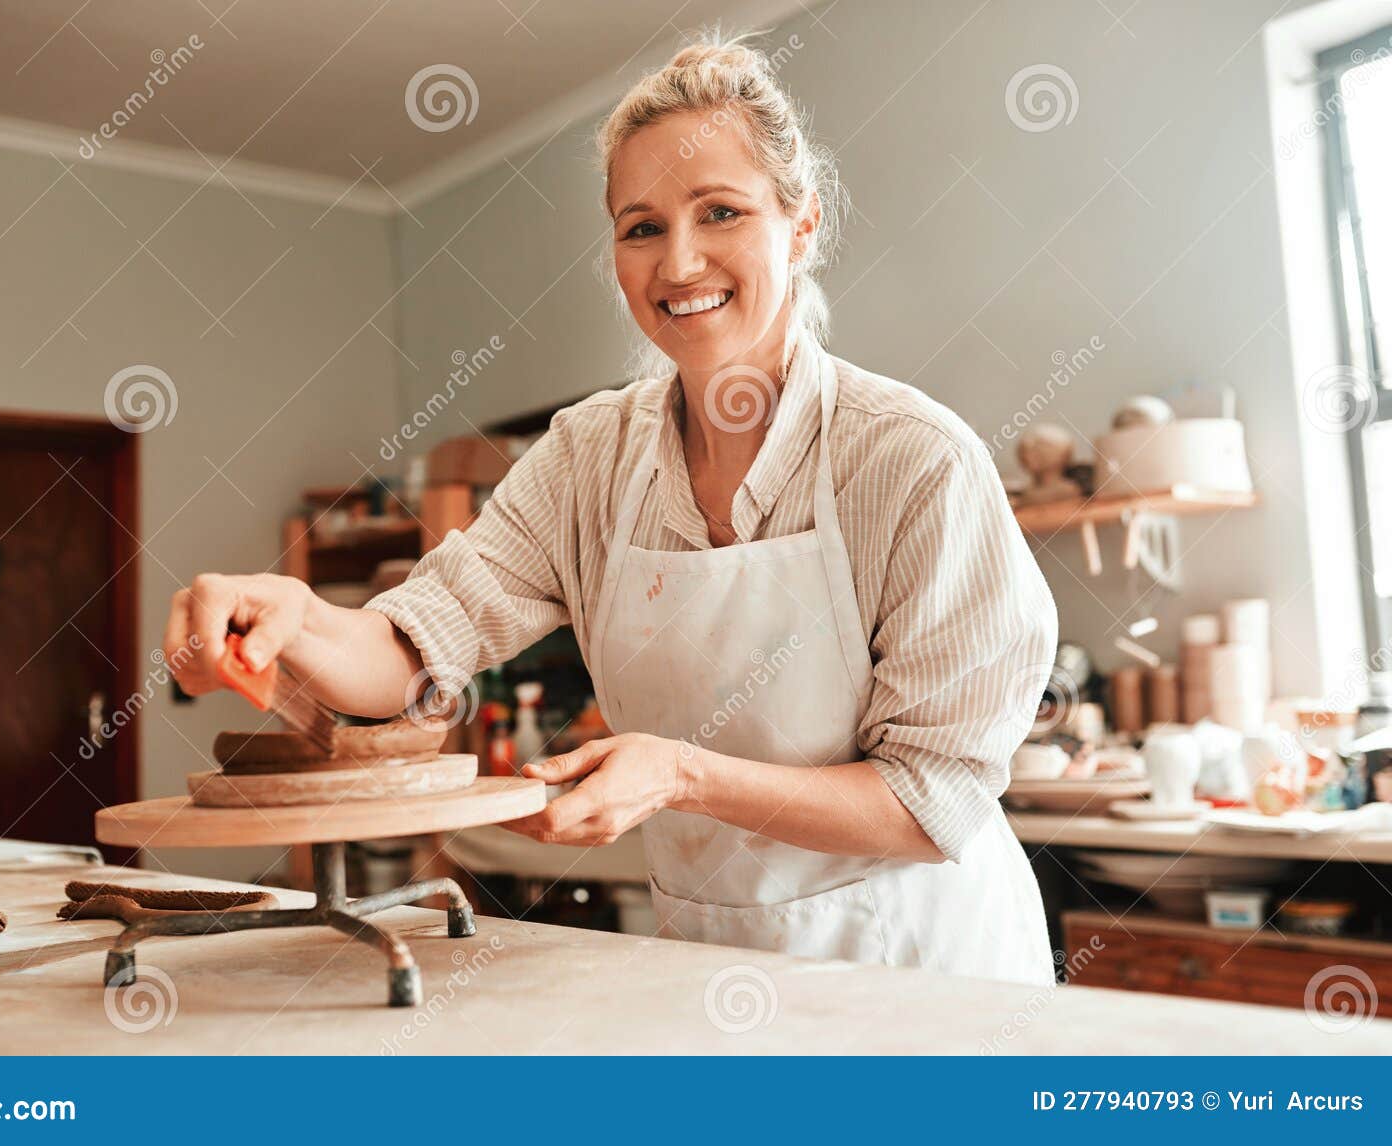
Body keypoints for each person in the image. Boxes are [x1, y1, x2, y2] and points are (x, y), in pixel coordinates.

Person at [164, 32, 1058, 986]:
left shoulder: (912, 459)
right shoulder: (590, 455)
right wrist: (301, 619)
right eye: (641, 227)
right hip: (711, 979)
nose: (678, 263)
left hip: (927, 983)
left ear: (800, 227)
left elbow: (932, 800)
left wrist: (683, 774)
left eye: (720, 211)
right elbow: (417, 646)